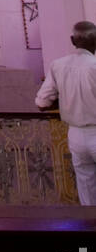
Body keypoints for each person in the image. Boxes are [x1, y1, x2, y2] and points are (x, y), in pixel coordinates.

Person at [36, 20, 96, 204]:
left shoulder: (58, 65)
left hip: (75, 134)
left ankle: (90, 226)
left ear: (72, 40)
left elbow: (41, 102)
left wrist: (67, 101)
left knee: (86, 185)